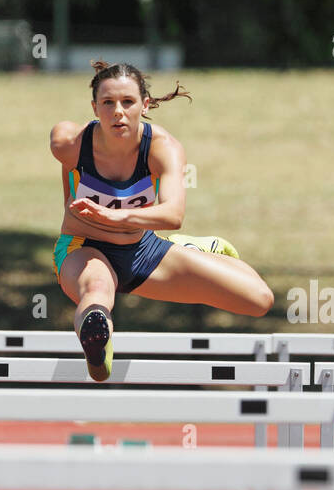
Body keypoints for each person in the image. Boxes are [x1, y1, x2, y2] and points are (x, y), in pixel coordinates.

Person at [50, 61, 274, 381]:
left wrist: (118, 216)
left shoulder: (162, 148)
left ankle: (190, 249)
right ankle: (97, 351)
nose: (118, 112)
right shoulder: (70, 144)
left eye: (128, 102)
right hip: (83, 248)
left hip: (143, 251)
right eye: (108, 103)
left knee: (259, 300)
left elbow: (173, 214)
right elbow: (61, 153)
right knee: (98, 290)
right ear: (94, 107)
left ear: (146, 104)